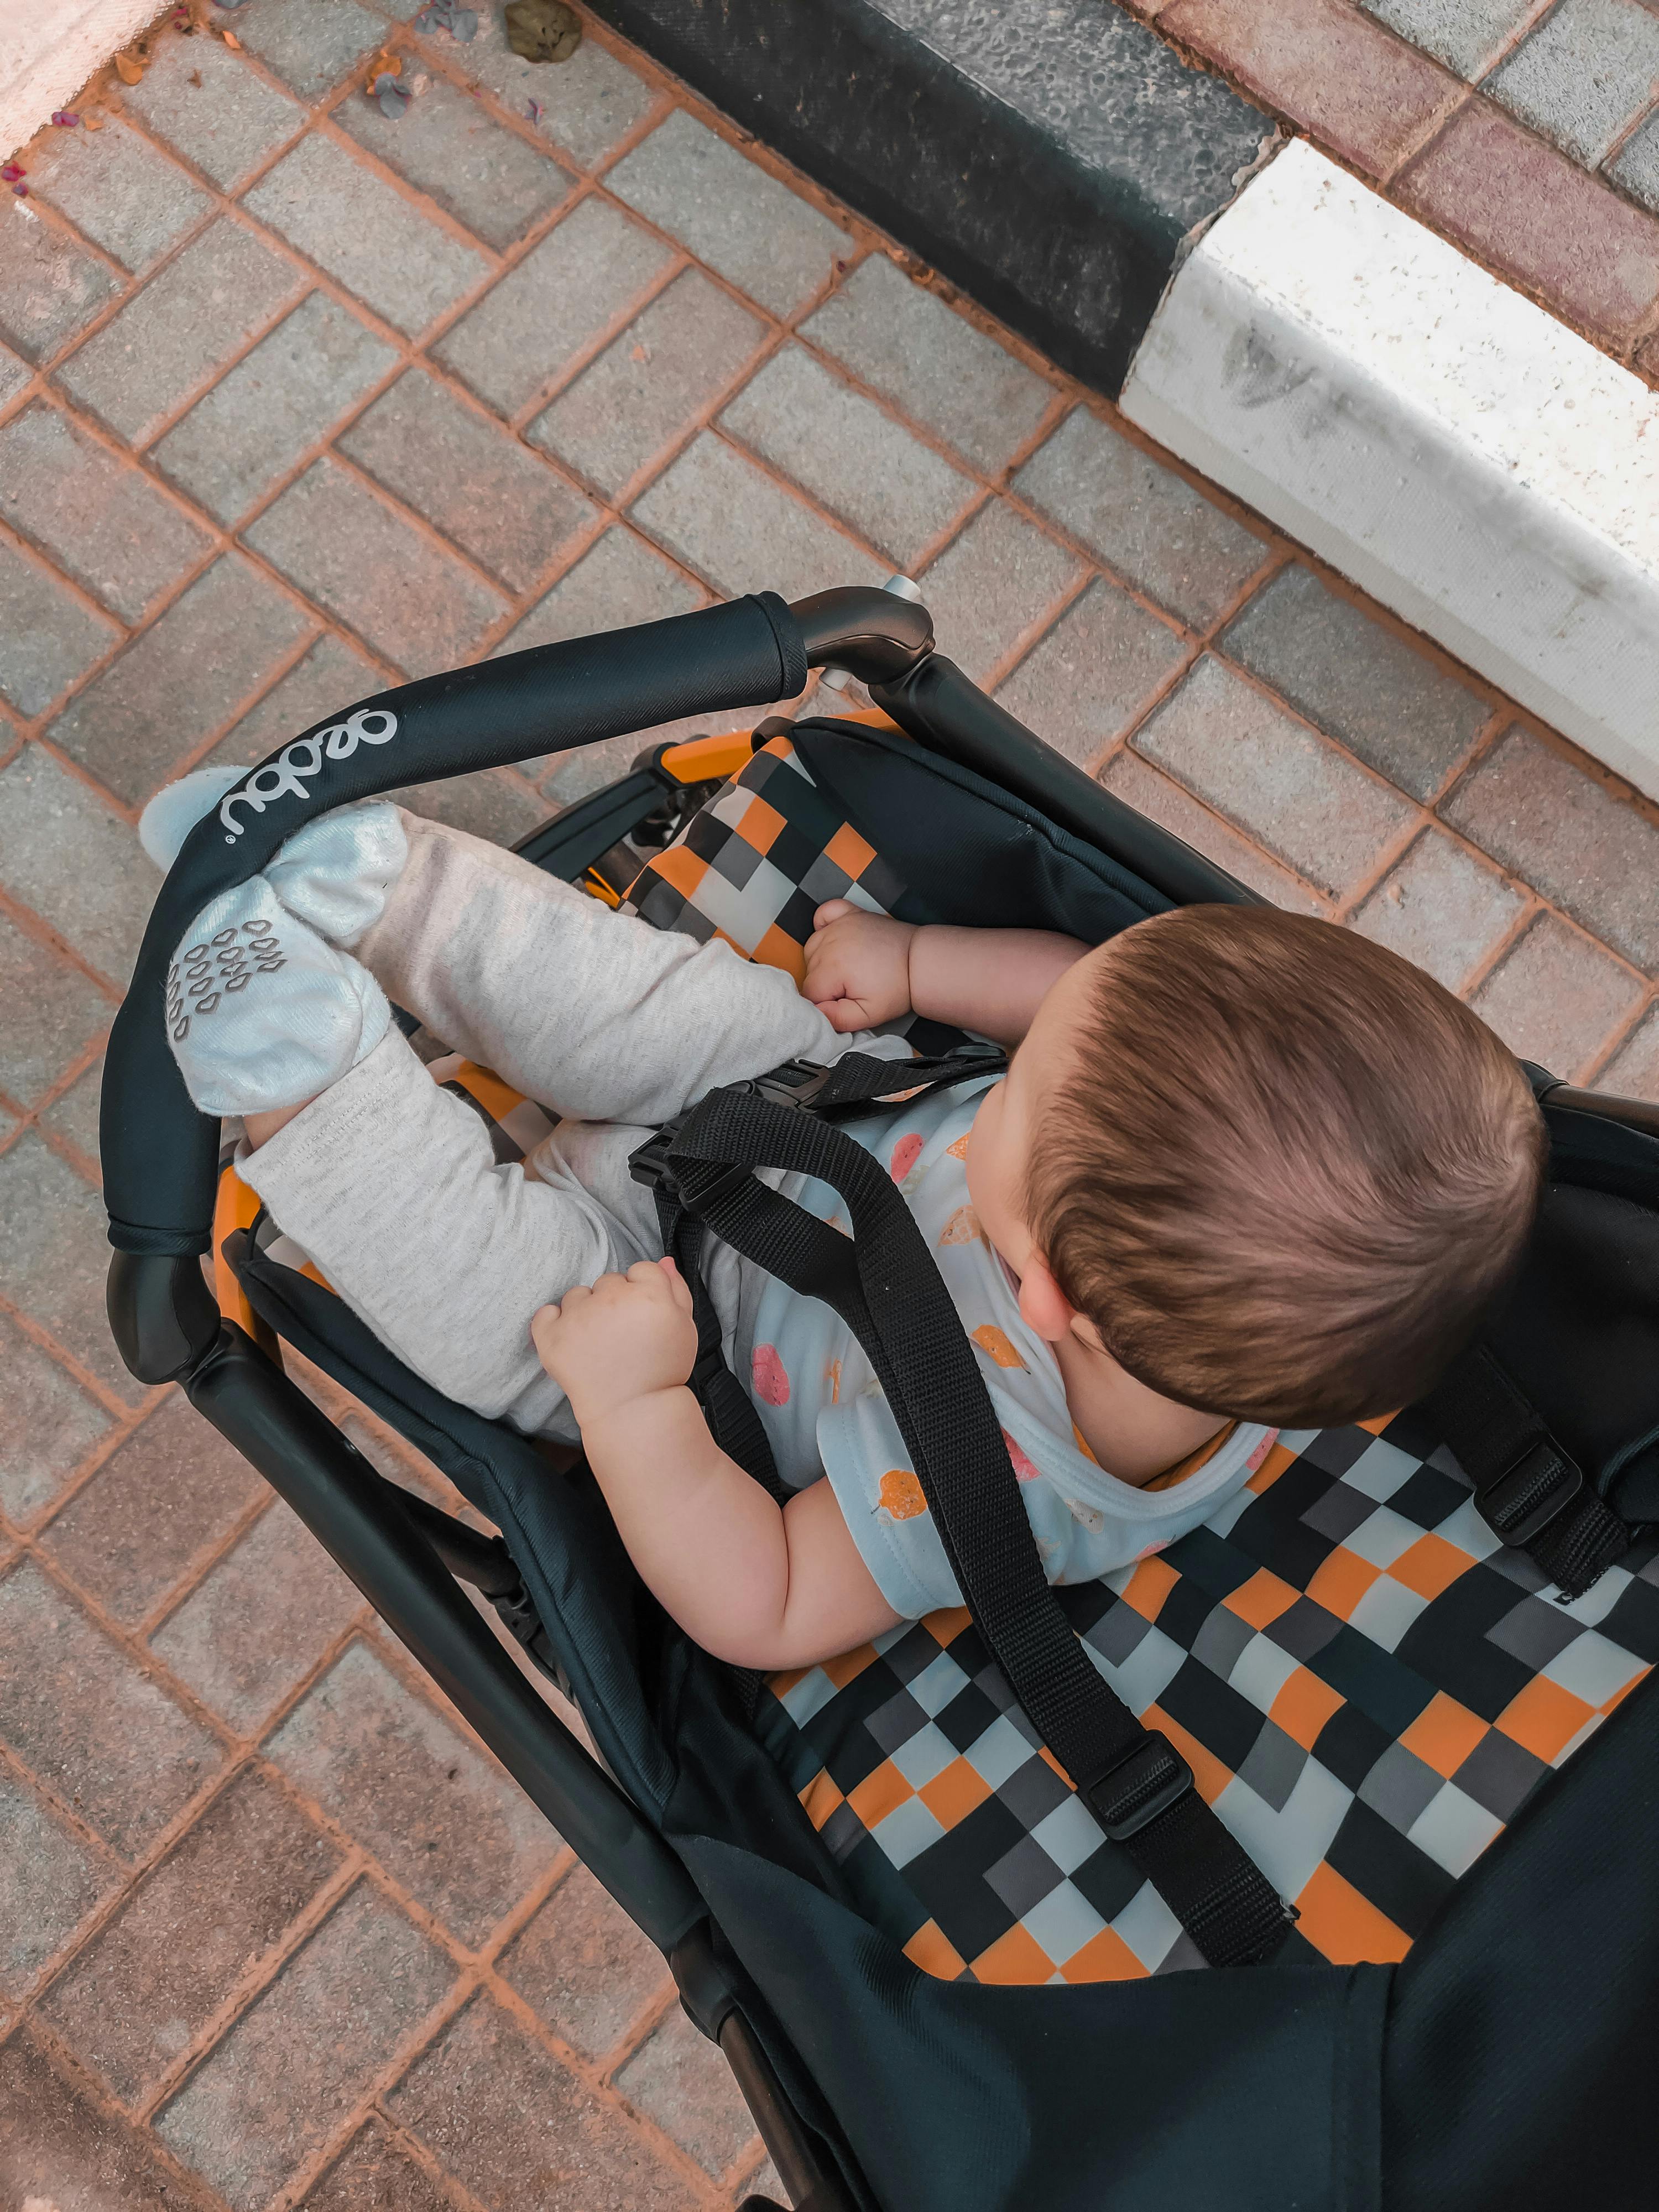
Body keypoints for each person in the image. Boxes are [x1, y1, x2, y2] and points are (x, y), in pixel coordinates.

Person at [144, 773, 1546, 1673]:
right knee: (642, 999)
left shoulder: (1005, 1481)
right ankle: (371, 887)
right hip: (787, 1088)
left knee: (493, 1319)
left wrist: (632, 1405)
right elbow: (1082, 994)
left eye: (1016, 1104)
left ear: (1044, 1297)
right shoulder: (1165, 1185)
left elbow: (764, 1606)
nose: (1013, 1066)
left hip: (657, 1305)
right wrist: (927, 962)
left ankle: (294, 1055)